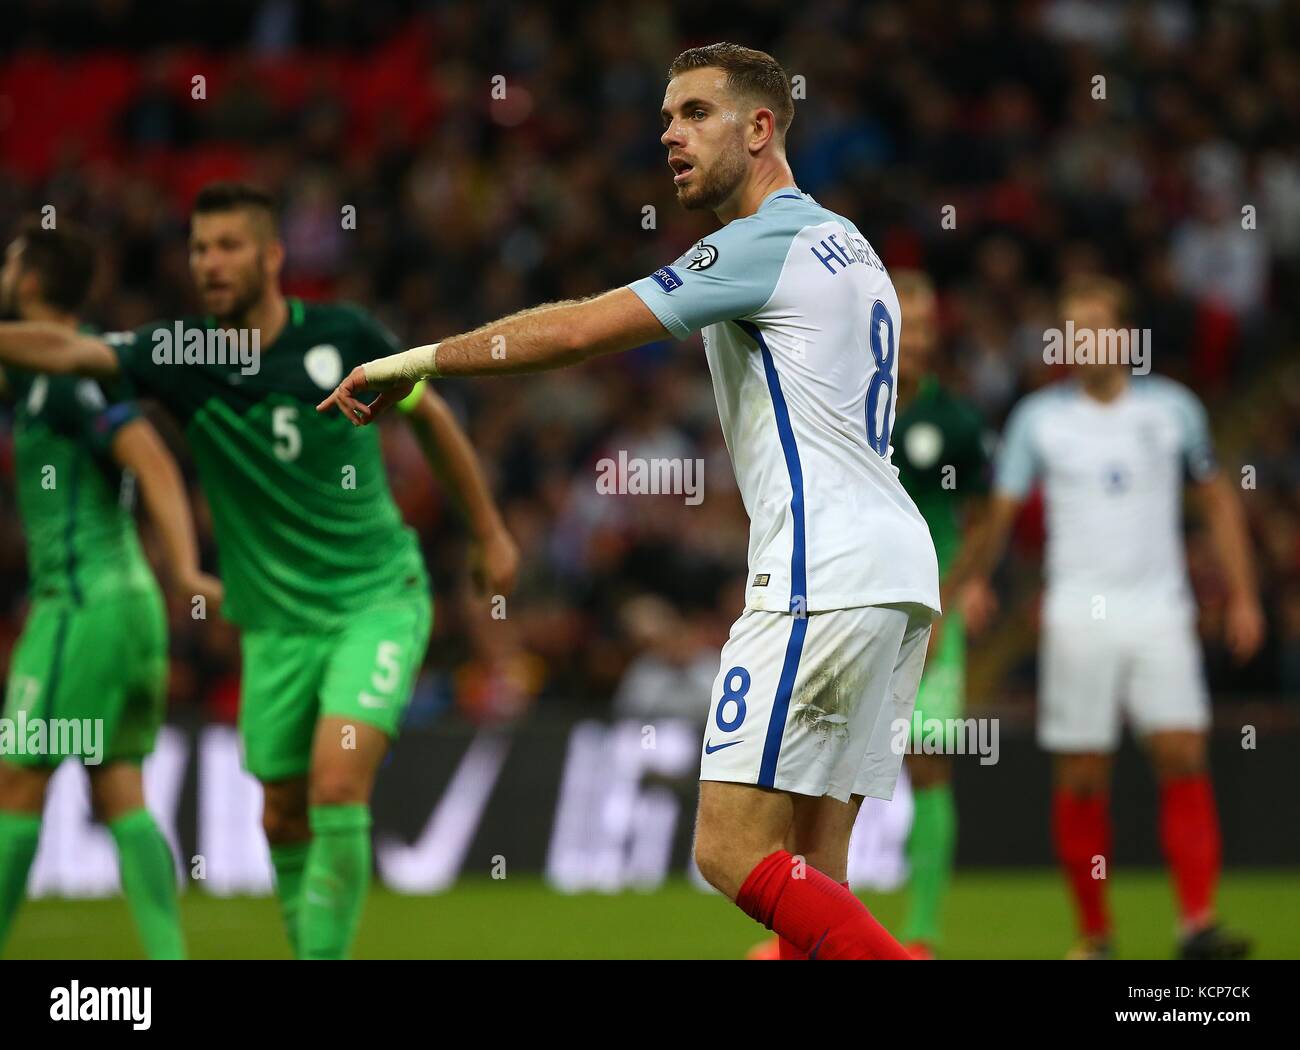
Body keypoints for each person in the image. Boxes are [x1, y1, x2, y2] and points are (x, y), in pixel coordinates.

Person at [320, 43, 939, 959]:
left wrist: (416, 361)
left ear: (760, 127)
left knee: (730, 850)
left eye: (695, 114)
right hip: (896, 575)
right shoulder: (851, 244)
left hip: (824, 573)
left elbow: (576, 331)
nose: (670, 136)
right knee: (816, 881)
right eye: (666, 118)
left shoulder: (760, 242)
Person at [0, 185, 519, 959]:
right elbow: (71, 351)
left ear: (273, 256)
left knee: (335, 784)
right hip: (274, 626)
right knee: (281, 813)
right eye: (199, 248)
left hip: (375, 600)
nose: (210, 262)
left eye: (228, 246)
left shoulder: (345, 336)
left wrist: (488, 531)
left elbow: (430, 415)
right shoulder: (182, 356)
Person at [948, 275, 1263, 959]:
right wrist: (969, 584)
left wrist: (1243, 595)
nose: (1084, 341)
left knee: (1182, 753)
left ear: (1126, 335)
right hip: (1077, 613)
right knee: (1083, 773)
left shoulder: (1174, 410)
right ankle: (1094, 934)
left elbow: (1217, 501)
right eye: (1073, 329)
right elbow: (999, 513)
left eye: (1096, 327)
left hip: (1160, 609)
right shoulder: (1039, 419)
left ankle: (1197, 924)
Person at [0, 221, 218, 959]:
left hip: (80, 606)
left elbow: (149, 456)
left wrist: (186, 567)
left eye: (11, 265)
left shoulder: (67, 376)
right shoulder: (45, 365)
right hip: (130, 609)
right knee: (119, 785)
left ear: (31, 282)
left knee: (17, 780)